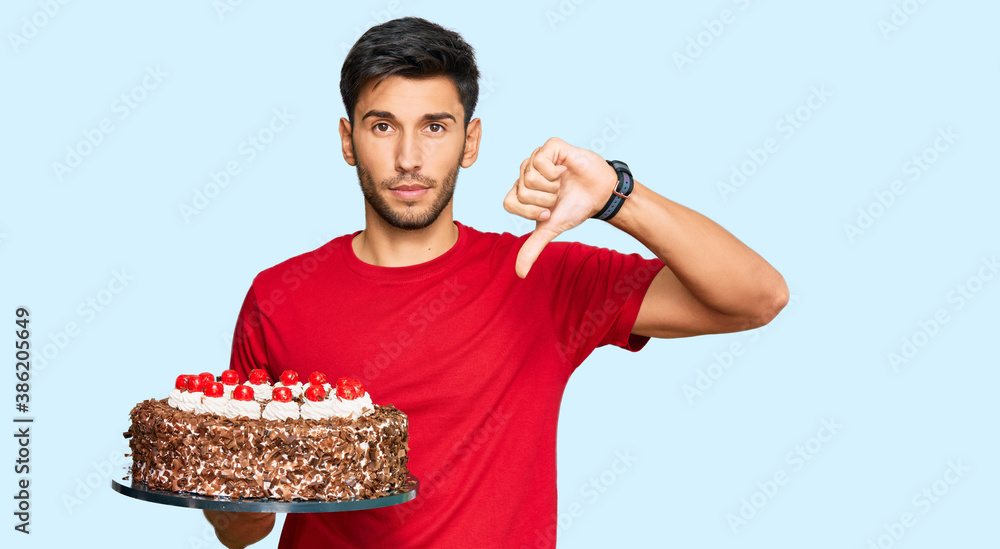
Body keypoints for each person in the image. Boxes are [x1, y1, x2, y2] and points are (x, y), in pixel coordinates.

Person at [204, 16, 787, 549]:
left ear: (471, 141)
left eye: (435, 126)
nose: (409, 157)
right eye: (383, 126)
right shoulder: (278, 296)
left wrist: (616, 195)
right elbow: (243, 526)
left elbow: (758, 297)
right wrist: (233, 511)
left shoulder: (540, 275)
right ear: (347, 140)